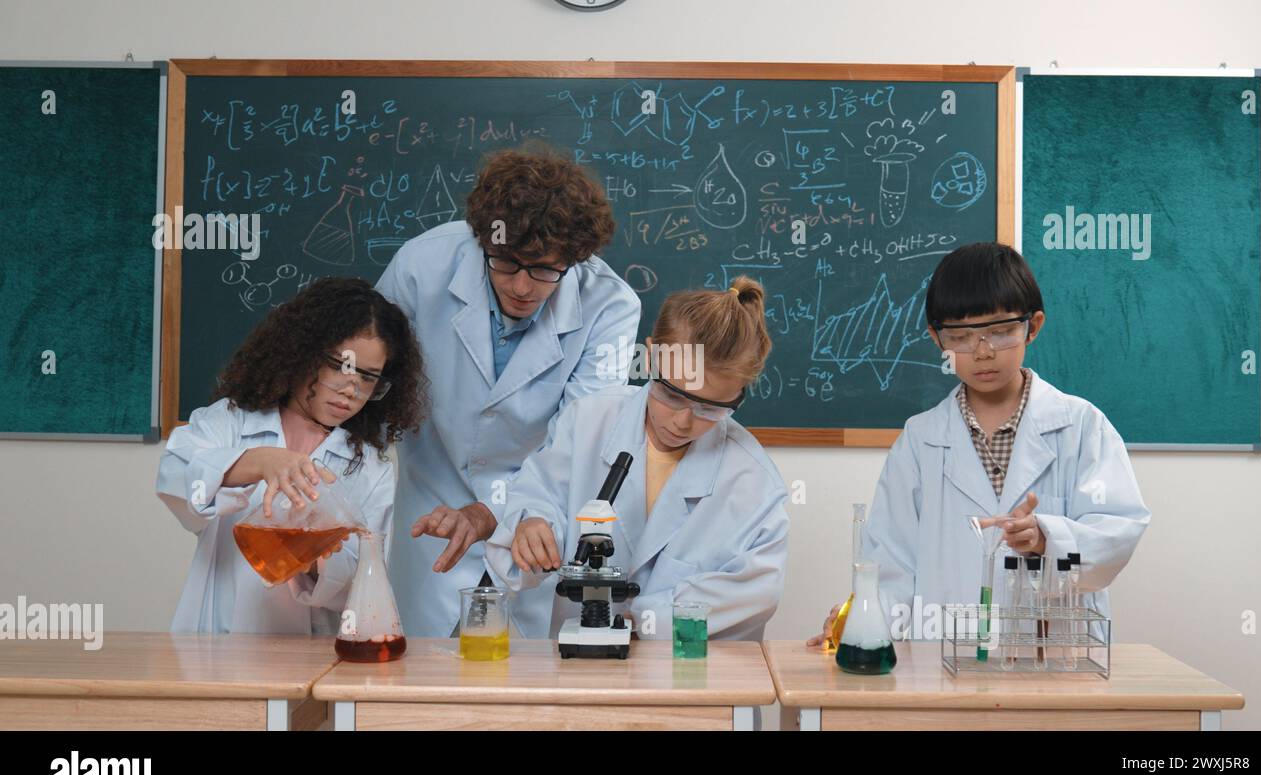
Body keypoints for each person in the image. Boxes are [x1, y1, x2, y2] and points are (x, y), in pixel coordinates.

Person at [807, 242, 1150, 645]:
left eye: (1000, 331)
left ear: (1032, 326)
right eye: (961, 336)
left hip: (1056, 658)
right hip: (943, 656)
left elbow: (1117, 535)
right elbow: (892, 563)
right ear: (937, 339)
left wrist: (1048, 539)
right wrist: (860, 622)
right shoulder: (920, 441)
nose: (983, 351)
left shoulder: (1081, 427)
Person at [376, 144, 641, 637]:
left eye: (543, 269)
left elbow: (579, 438)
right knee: (418, 697)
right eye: (505, 262)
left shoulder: (610, 307)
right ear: (483, 242)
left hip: (534, 519)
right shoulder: (422, 266)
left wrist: (496, 511)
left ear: (575, 258)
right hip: (431, 512)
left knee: (524, 700)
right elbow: (368, 379)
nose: (521, 286)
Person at [486, 276, 789, 640]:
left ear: (738, 396)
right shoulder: (587, 421)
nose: (683, 421)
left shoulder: (753, 483)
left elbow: (755, 592)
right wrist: (534, 525)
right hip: (580, 676)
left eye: (710, 408)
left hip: (689, 681)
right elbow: (539, 496)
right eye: (672, 394)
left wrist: (643, 619)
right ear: (651, 355)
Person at [157, 277, 428, 633]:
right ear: (302, 352)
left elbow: (363, 578)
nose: (352, 389)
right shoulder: (232, 420)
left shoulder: (369, 467)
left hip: (307, 657)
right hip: (215, 640)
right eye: (341, 366)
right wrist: (257, 461)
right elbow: (174, 476)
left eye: (368, 377)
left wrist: (315, 554)